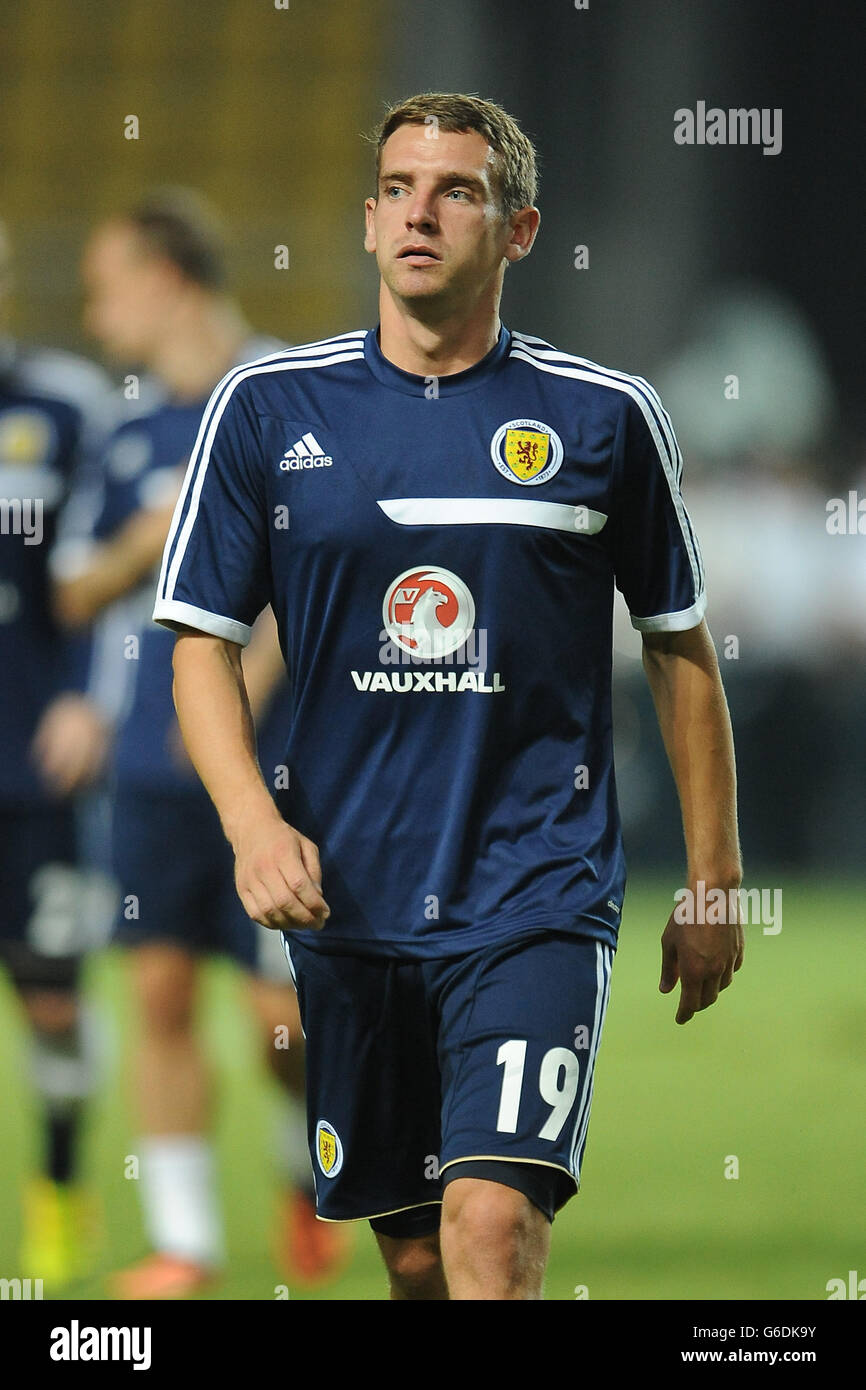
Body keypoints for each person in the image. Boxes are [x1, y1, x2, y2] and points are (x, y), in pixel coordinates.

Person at [152, 94, 744, 1301]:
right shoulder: (266, 411)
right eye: (399, 188)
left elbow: (679, 646)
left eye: (457, 190)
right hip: (347, 898)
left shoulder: (603, 417)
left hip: (534, 888)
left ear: (518, 231)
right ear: (368, 221)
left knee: (489, 1228)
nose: (421, 210)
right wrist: (252, 828)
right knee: (416, 1255)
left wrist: (714, 873)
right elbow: (199, 647)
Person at [53, 190, 345, 1297]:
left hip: (273, 767)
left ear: (166, 279)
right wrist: (149, 536)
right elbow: (76, 590)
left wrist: (243, 683)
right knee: (161, 996)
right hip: (147, 768)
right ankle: (186, 1244)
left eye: (108, 284)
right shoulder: (126, 431)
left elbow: (325, 565)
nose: (96, 311)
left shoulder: (289, 396)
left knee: (282, 1023)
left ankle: (302, 1170)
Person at [0, 217, 114, 1286]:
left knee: (52, 1000)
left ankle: (61, 1190)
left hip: (36, 764)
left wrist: (92, 698)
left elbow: (112, 576)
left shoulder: (65, 407)